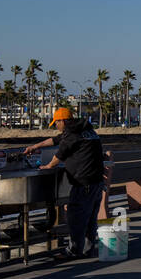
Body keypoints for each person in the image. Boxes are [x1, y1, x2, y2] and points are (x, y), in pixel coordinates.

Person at [25, 107, 107, 259]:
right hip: (97, 181)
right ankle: (87, 250)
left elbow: (60, 154)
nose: (56, 126)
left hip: (83, 182)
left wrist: (49, 166)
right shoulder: (85, 130)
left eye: (56, 123)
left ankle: (73, 251)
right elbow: (56, 140)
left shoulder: (72, 134)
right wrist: (36, 146)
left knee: (76, 217)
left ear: (63, 121)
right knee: (90, 218)